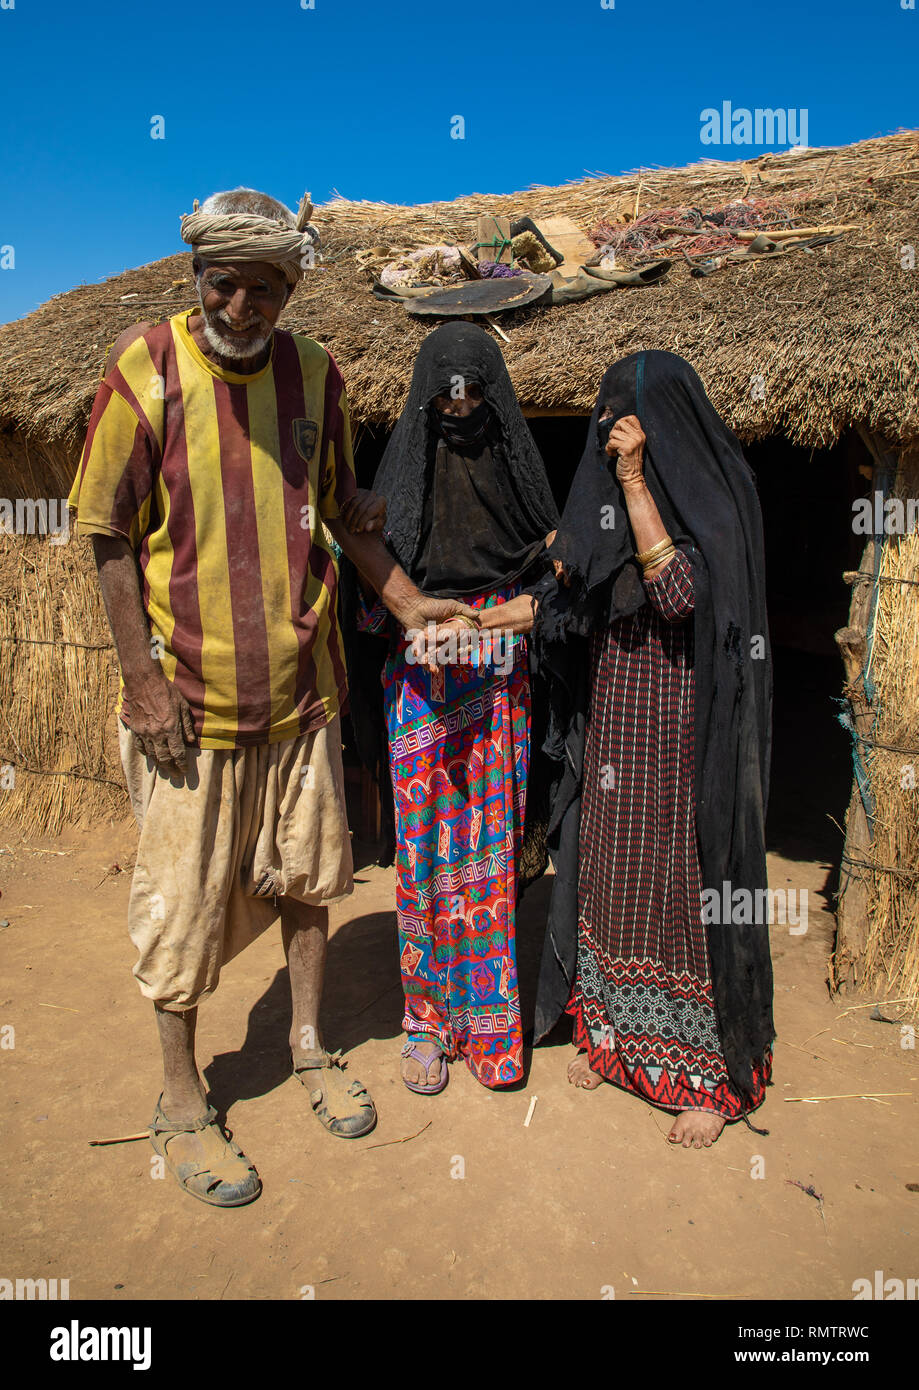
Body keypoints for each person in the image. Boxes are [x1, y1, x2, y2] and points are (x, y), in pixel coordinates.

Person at [68, 188, 475, 1206]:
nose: (240, 303)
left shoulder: (315, 376)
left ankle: (308, 1045)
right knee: (181, 911)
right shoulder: (145, 368)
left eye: (263, 287)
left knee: (308, 882)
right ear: (197, 277)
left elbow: (343, 512)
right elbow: (107, 535)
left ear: (290, 288)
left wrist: (414, 601)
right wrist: (140, 683)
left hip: (302, 694)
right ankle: (181, 1099)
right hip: (187, 708)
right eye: (224, 282)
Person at [533, 350, 774, 1147]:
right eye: (603, 416)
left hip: (683, 733)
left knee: (681, 888)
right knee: (612, 875)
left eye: (627, 417)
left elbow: (678, 597)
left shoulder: (715, 498)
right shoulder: (604, 499)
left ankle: (706, 1077)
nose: (610, 430)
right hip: (616, 725)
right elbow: (566, 602)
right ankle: (611, 1041)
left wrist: (635, 484)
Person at [354, 322, 559, 1093]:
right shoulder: (392, 493)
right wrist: (414, 626)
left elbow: (555, 587)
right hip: (417, 698)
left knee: (488, 861)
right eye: (445, 395)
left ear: (495, 400)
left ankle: (491, 1026)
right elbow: (368, 599)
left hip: (498, 697)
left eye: (474, 395)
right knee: (427, 866)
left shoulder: (523, 495)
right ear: (425, 399)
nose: (459, 407)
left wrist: (495, 624)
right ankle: (426, 1026)